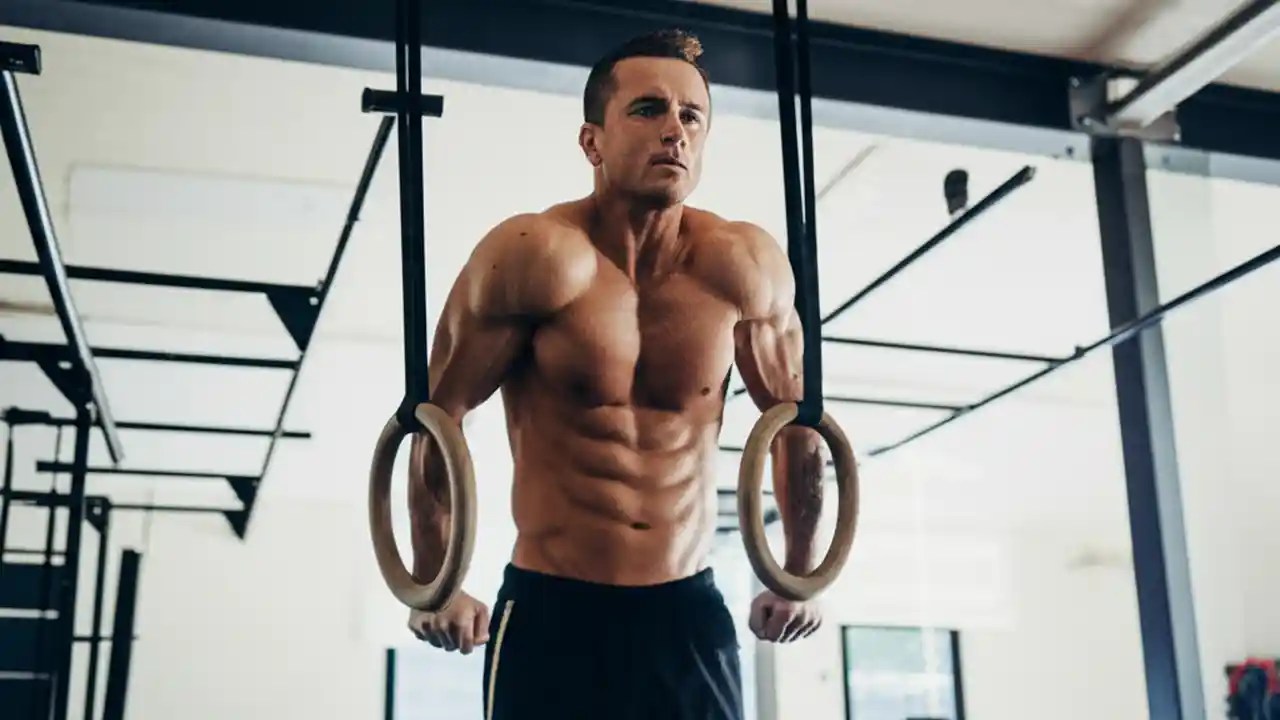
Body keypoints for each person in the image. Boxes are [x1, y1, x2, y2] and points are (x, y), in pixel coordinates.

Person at [405, 28, 829, 720]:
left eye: (692, 116)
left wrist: (799, 572)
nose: (675, 131)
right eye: (648, 109)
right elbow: (436, 421)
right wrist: (434, 580)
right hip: (551, 611)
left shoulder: (742, 267)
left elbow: (799, 429)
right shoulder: (531, 256)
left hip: (684, 609)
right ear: (591, 141)